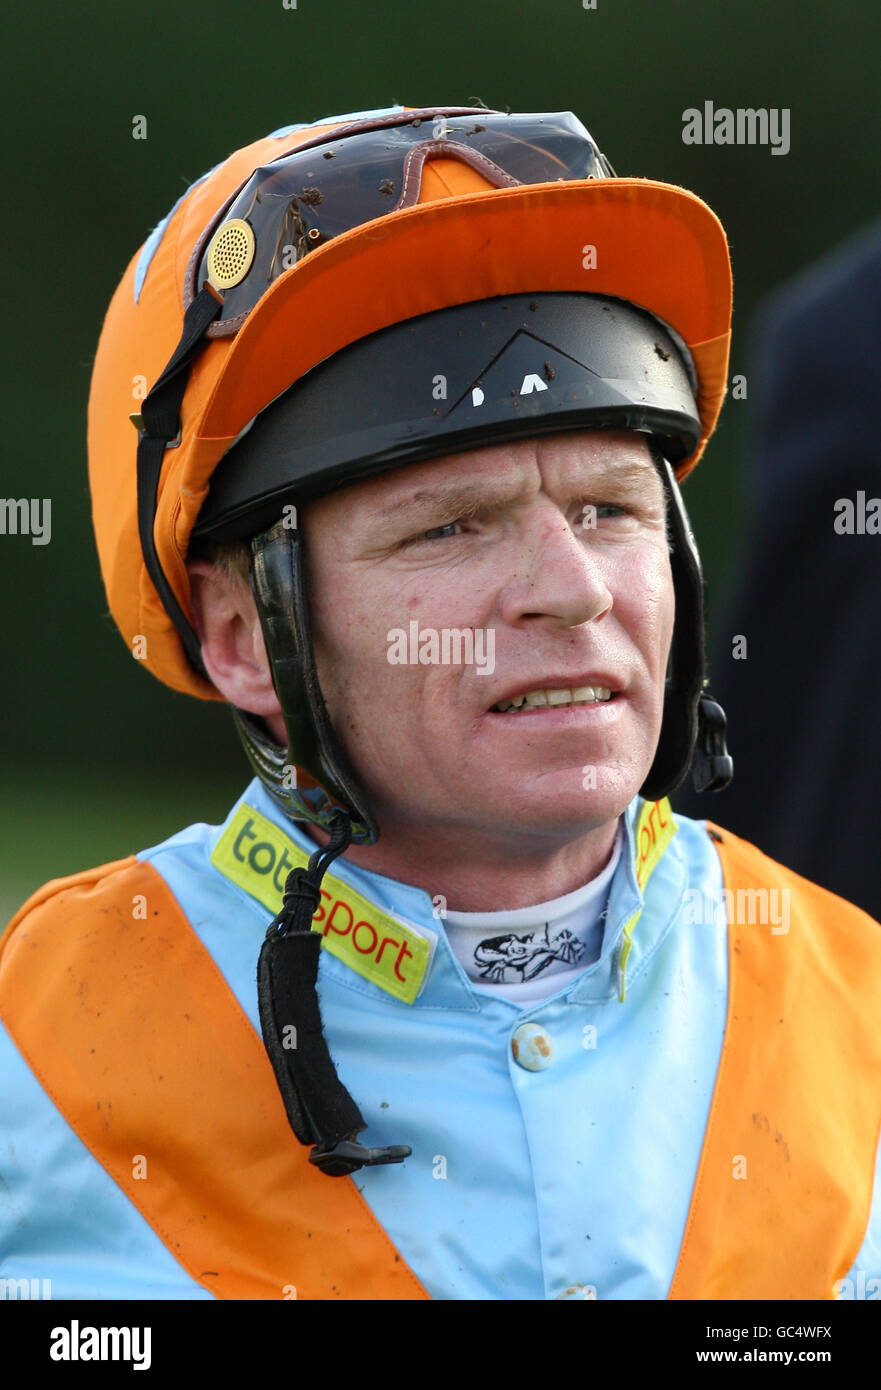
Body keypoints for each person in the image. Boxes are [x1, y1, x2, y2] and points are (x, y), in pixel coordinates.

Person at [1, 104, 879, 1303]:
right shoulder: (32, 1051)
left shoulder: (855, 993)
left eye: (607, 509)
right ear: (241, 633)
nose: (570, 593)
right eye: (450, 526)